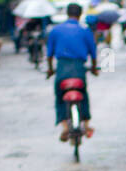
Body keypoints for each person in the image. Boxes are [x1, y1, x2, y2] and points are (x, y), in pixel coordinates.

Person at [45, 2, 98, 141]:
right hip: (79, 69)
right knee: (84, 94)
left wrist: (50, 70)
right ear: (80, 15)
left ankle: (64, 126)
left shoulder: (56, 30)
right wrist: (94, 68)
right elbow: (93, 53)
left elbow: (49, 55)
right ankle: (86, 124)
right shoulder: (85, 31)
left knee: (59, 95)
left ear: (67, 14)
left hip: (62, 69)